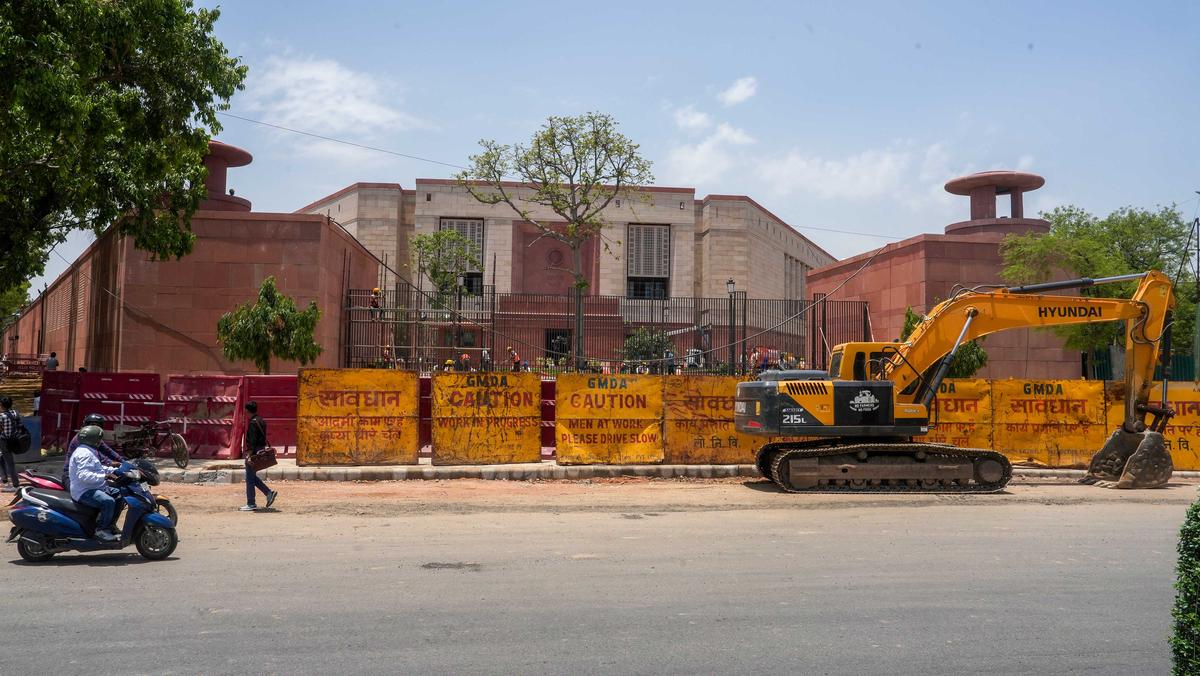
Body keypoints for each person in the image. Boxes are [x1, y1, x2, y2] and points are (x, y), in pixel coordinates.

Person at [69, 425, 120, 541]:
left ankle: (109, 524)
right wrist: (105, 476)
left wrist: (117, 470)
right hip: (84, 491)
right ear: (93, 440)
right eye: (99, 439)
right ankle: (101, 530)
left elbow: (97, 468)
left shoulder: (88, 450)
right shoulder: (84, 454)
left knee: (120, 494)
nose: (100, 441)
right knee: (108, 501)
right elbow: (84, 476)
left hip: (94, 487)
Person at [61, 414, 123, 491]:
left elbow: (108, 451)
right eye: (92, 425)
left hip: (90, 472)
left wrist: (124, 462)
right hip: (72, 475)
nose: (94, 428)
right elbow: (98, 456)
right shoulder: (81, 438)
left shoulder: (95, 438)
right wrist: (111, 463)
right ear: (86, 425)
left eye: (97, 425)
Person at [240, 401, 277, 512]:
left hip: (254, 452)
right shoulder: (261, 421)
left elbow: (251, 441)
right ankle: (268, 493)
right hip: (261, 450)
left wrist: (249, 456)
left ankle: (251, 503)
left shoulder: (252, 423)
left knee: (249, 478)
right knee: (250, 477)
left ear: (247, 410)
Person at [0, 397, 20, 491]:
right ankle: (4, 480)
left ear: (2, 405)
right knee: (2, 459)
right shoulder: (15, 413)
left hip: (5, 441)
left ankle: (15, 485)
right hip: (15, 440)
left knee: (10, 463)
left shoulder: (2, 416)